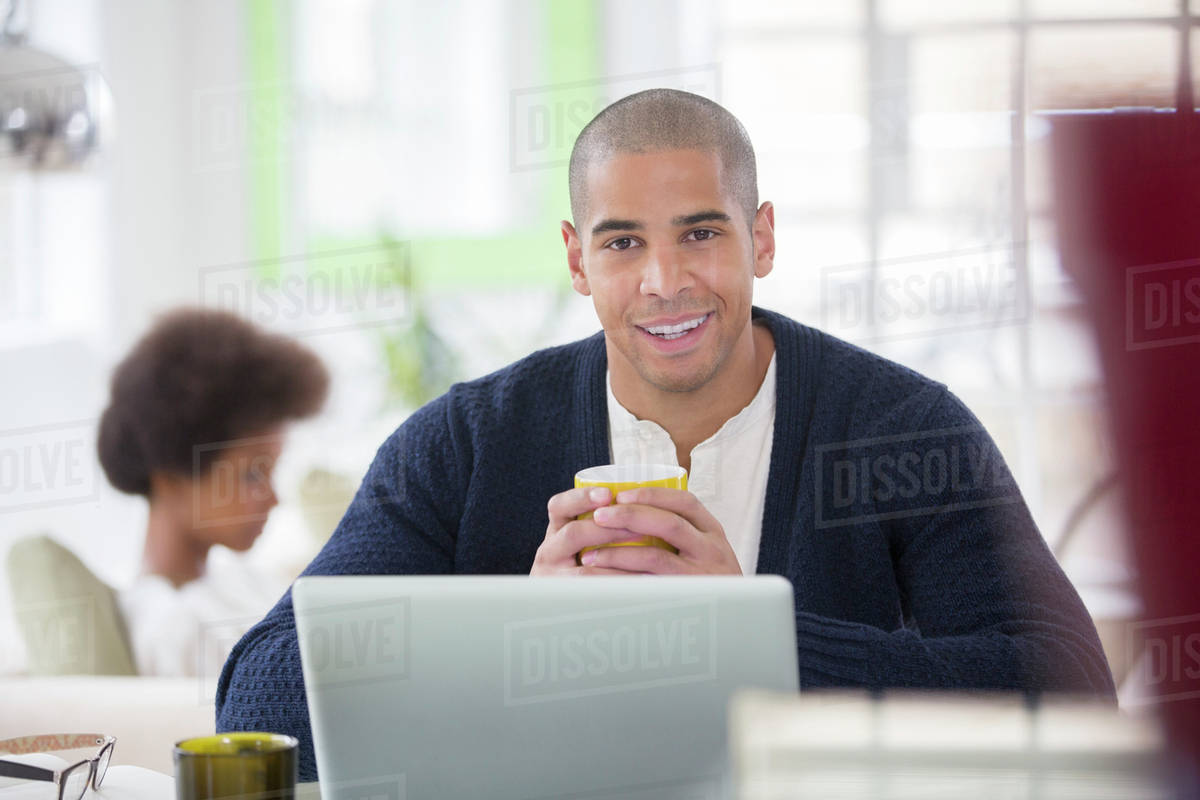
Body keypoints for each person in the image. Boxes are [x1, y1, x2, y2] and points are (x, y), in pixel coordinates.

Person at [216, 90, 1114, 779]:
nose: (664, 282)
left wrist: (751, 638)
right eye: (621, 245)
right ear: (576, 259)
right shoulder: (466, 442)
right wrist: (515, 635)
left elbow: (1072, 694)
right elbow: (254, 706)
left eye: (700, 233)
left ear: (761, 239)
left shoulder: (902, 432)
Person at [98, 307, 329, 676]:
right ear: (170, 474)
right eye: (253, 474)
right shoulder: (173, 627)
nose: (274, 498)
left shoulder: (245, 582)